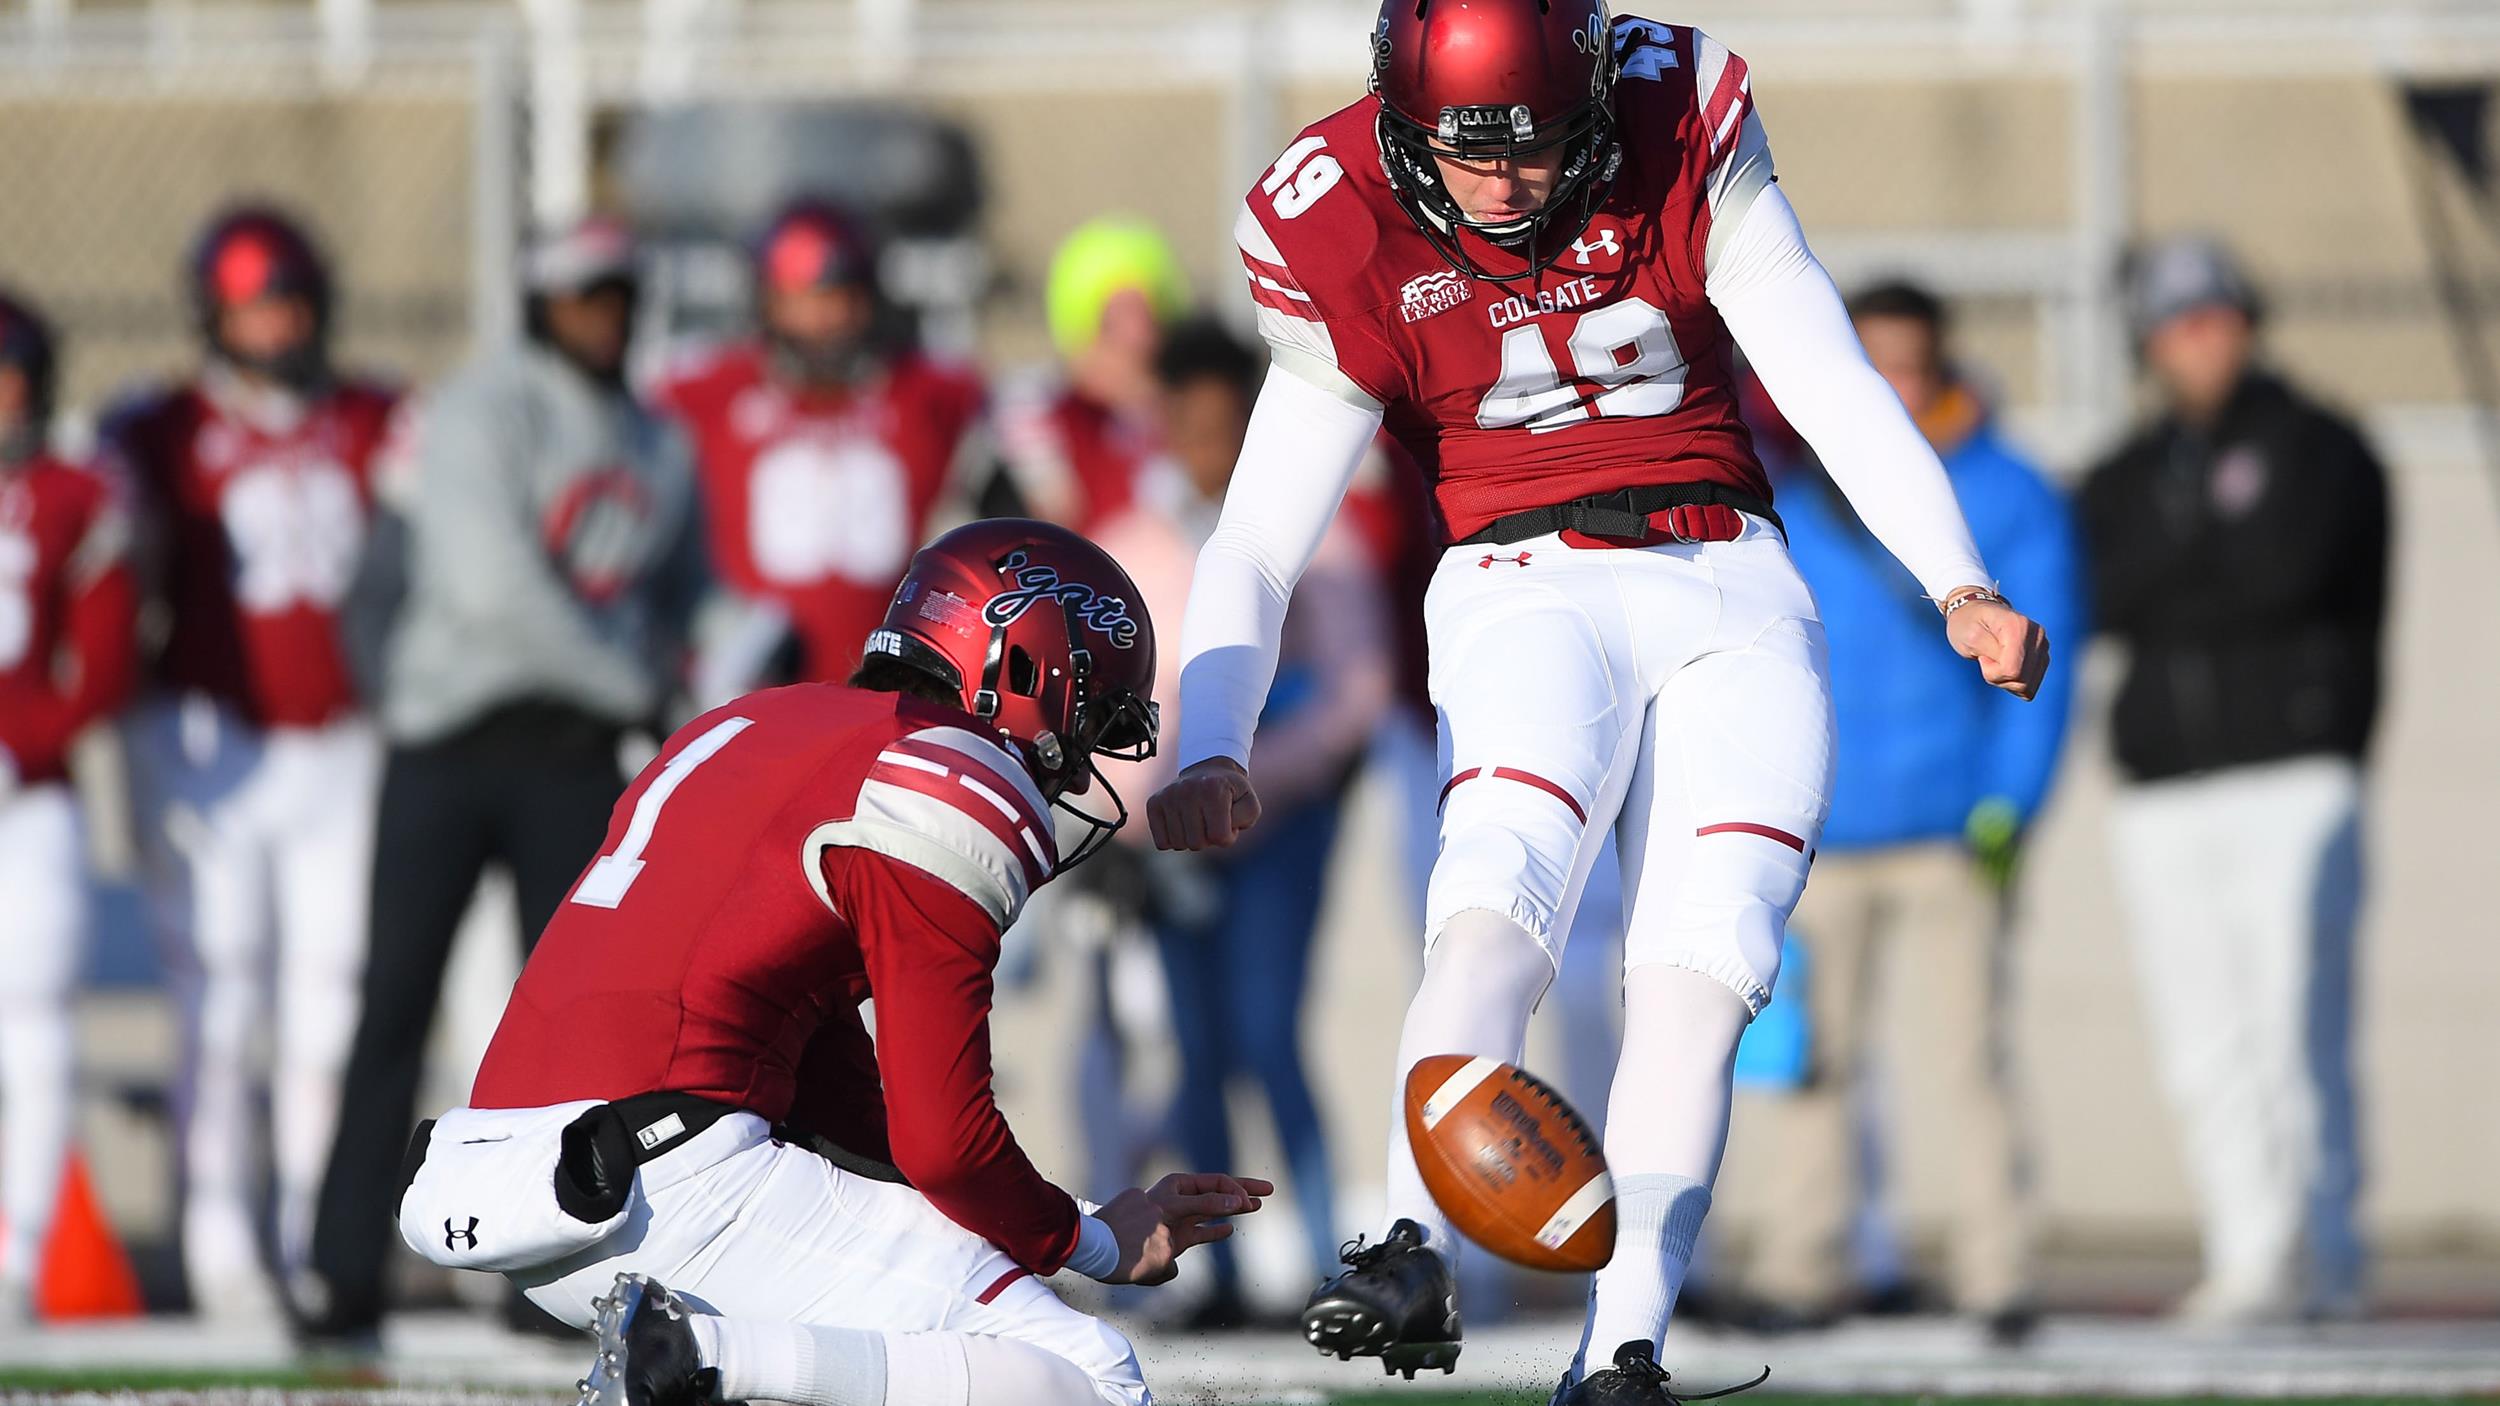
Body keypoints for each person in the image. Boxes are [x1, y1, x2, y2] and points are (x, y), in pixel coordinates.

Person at [1145, 5, 2050, 1397]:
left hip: (1730, 577)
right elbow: (1261, 535)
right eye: (1473, 152)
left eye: (1538, 148)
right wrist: (1210, 737)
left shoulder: (1675, 119)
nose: (1505, 185)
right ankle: (1401, 1240)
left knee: (1703, 970)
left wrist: (1957, 579)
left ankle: (1625, 1343)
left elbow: (1824, 377)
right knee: (1499, 893)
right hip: (1522, 583)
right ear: (1405, 123)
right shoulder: (1347, 220)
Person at [395, 519, 1264, 1406]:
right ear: (1025, 669)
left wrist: (1076, 1218)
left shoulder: (743, 721)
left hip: (520, 1176)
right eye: (1091, 726)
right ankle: (693, 1360)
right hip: (672, 1184)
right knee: (1093, 1374)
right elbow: (944, 1143)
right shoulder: (947, 775)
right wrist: (1100, 1252)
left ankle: (694, 1360)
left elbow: (852, 1118)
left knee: (880, 1361)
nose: (1079, 777)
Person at [301, 216, 708, 1341]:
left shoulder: (661, 443)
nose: (604, 315)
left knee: (568, 1029)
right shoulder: (479, 408)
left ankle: (551, 1277)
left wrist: (744, 653)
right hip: (451, 745)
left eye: (618, 294)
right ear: (539, 303)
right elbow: (497, 593)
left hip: (571, 755)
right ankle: (343, 1270)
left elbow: (692, 598)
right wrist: (637, 679)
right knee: (395, 1004)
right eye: (582, 296)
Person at [1742, 281, 2085, 1341]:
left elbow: (2045, 662)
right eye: (1868, 363)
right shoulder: (1792, 495)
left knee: (1965, 1059)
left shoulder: (2007, 490)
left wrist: (2005, 809)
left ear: (1938, 365)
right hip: (1825, 835)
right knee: (1808, 1063)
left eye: (1905, 363)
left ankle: (1998, 1270)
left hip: (1948, 834)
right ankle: (1801, 1266)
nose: (1888, 384)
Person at [2079, 236, 2388, 1326]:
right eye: (2175, 323)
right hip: (2163, 786)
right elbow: (2101, 595)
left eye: (2214, 316)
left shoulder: (2322, 447)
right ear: (2150, 343)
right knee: (2200, 1039)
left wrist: (2187, 557)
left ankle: (2328, 1249)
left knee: (2297, 1028)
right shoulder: (2125, 471)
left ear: (2245, 322)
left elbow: (2283, 574)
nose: (2198, 339)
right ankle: (2247, 1249)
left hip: (2294, 775)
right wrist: (2202, 544)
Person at [102, 207, 400, 1318]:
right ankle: (219, 1228)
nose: (277, 326)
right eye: (254, 306)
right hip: (205, 738)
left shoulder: (372, 412)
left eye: (290, 302)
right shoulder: (156, 425)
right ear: (212, 316)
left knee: (329, 998)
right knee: (218, 999)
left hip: (339, 738)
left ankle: (308, 1226)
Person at [1093, 320, 1393, 1326]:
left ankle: (1329, 1261)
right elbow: (1102, 712)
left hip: (1275, 833)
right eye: (1188, 422)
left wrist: (1248, 784)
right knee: (1196, 1046)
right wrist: (1137, 828)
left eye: (1225, 423)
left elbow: (1354, 689)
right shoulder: (1125, 544)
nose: (1206, 443)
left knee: (1269, 1034)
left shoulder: (1315, 532)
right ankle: (1215, 1271)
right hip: (1167, 849)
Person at [662, 197, 987, 690]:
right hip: (749, 687)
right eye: (799, 301)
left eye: (836, 299)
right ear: (767, 305)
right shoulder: (708, 397)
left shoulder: (930, 396)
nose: (821, 321)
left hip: (886, 687)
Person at [0, 291, 139, 1322]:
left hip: (28, 800)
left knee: (38, 1018)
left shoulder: (75, 490)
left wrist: (23, 741)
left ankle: (20, 1251)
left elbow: (102, 662)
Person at [994, 219, 1190, 533]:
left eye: (1148, 316)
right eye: (1117, 320)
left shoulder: (1174, 418)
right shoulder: (1040, 414)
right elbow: (1053, 515)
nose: (1139, 338)